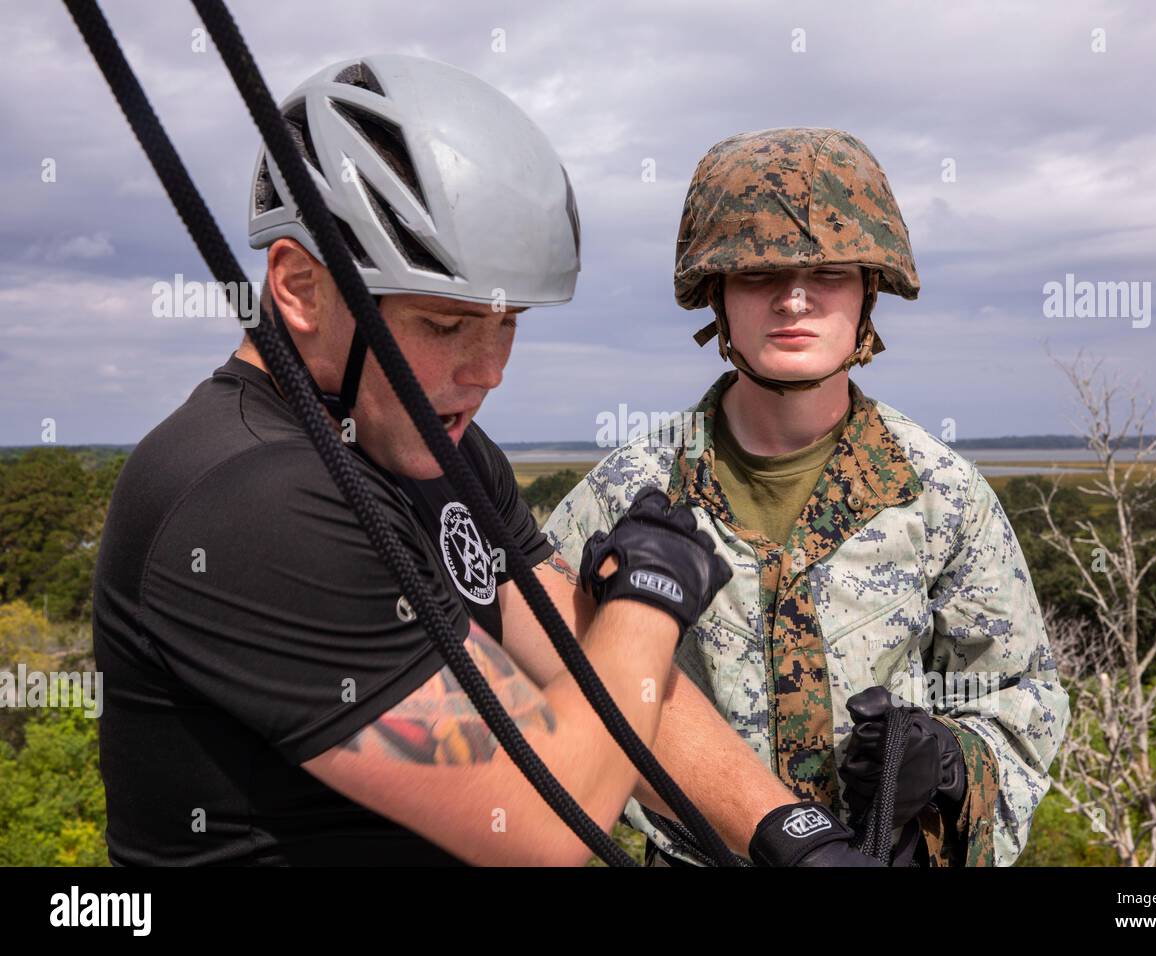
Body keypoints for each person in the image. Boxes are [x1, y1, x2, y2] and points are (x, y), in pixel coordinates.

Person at [92, 57, 867, 867]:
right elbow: (537, 823)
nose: (489, 371)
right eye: (444, 324)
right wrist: (649, 601)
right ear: (298, 285)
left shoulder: (434, 444)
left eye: (507, 322)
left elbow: (592, 674)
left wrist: (799, 838)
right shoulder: (249, 499)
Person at [544, 127, 1072, 866]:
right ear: (717, 294)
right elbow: (535, 696)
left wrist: (949, 763)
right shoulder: (628, 496)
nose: (794, 299)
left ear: (868, 291)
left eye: (828, 271)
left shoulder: (941, 495)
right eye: (759, 273)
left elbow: (1021, 699)